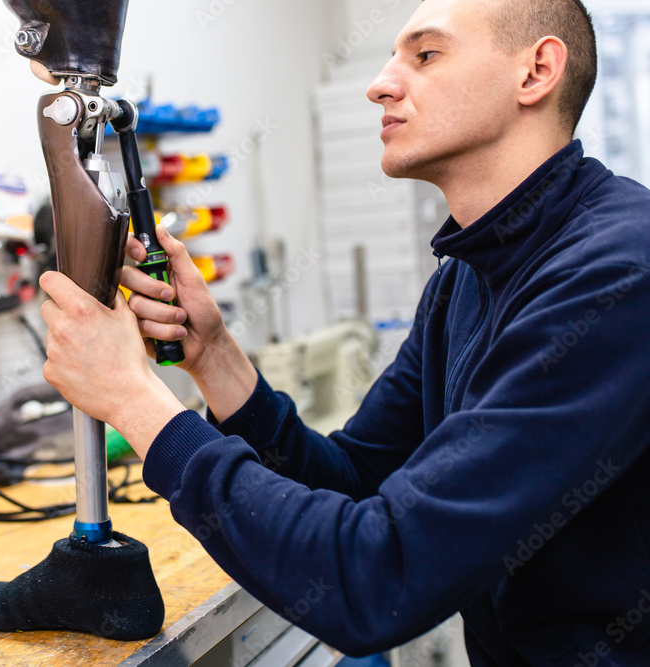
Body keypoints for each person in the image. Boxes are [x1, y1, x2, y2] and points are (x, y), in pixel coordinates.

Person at [38, 0, 650, 663]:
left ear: (536, 72)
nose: (379, 83)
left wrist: (134, 401)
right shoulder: (467, 279)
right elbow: (355, 480)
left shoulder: (616, 274)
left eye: (425, 55)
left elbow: (378, 578)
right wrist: (215, 358)